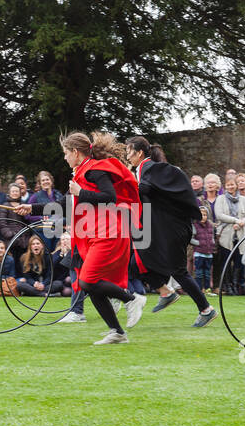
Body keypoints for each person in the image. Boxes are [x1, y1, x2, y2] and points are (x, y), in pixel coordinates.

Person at [14, 132, 146, 344]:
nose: (65, 158)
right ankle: (118, 332)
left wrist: (81, 192)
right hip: (95, 234)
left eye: (66, 153)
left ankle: (132, 299)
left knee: (87, 280)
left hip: (109, 232)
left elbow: (109, 198)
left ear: (76, 152)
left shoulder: (95, 171)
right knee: (88, 283)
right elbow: (64, 204)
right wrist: (31, 207)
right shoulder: (80, 174)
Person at [125, 137, 216, 327]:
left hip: (173, 230)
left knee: (179, 271)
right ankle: (165, 291)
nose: (127, 156)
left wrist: (125, 183)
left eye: (129, 151)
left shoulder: (152, 169)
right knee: (135, 263)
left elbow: (145, 189)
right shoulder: (146, 171)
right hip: (162, 230)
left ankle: (206, 310)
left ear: (139, 153)